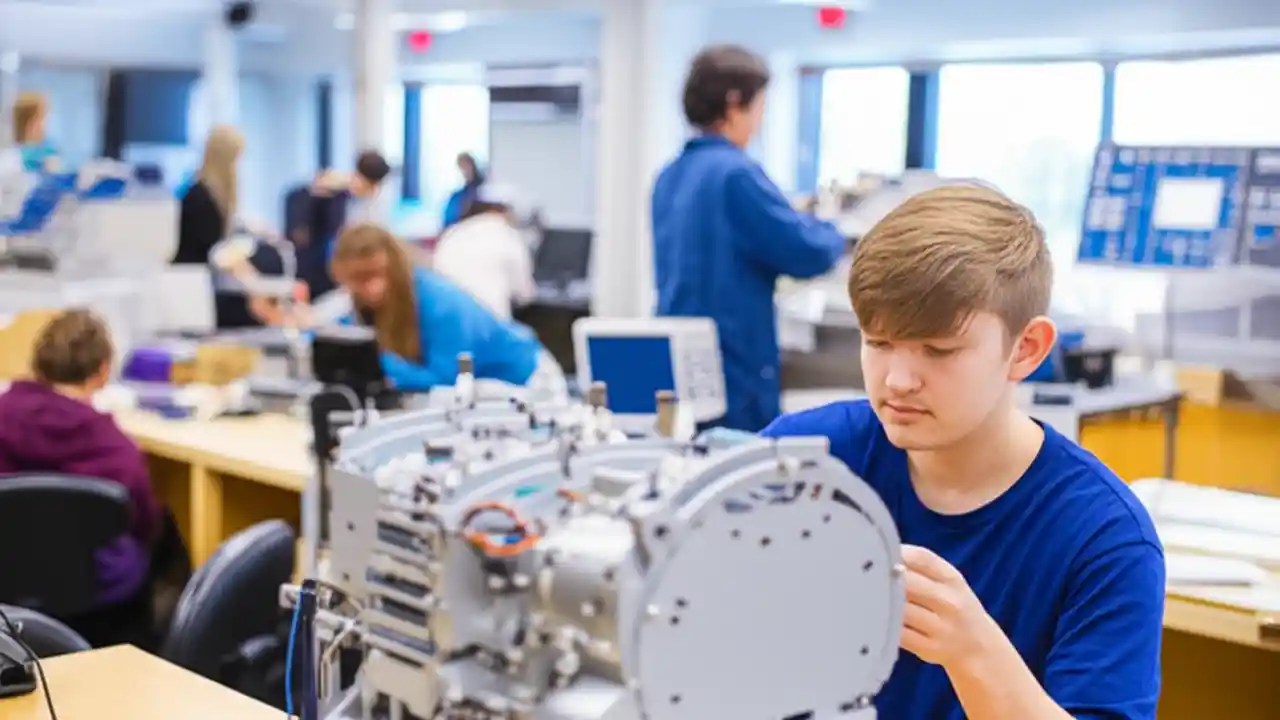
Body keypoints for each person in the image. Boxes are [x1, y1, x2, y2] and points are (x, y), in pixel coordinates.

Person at [762, 185, 1164, 720]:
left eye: (939, 351)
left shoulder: (1105, 541)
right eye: (878, 343)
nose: (898, 380)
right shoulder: (804, 458)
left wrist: (973, 652)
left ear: (1026, 349)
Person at [652, 45, 846, 433]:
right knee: (744, 476)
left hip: (678, 361)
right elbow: (804, 252)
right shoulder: (735, 175)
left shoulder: (671, 175)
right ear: (734, 102)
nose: (759, 120)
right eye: (760, 107)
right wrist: (832, 229)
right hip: (732, 366)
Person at [0, 309, 162, 643]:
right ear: (103, 371)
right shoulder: (115, 447)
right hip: (98, 597)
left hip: (8, 583)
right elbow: (143, 522)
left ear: (39, 364)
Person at [330, 222, 544, 392]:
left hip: (524, 382)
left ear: (394, 265)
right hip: (477, 391)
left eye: (378, 273)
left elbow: (444, 382)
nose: (373, 288)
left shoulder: (441, 303)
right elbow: (345, 336)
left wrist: (373, 362)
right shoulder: (368, 303)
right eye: (358, 279)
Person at [432, 182, 536, 320]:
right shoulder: (508, 235)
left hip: (447, 321)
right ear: (505, 210)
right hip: (489, 324)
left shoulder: (453, 232)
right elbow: (525, 294)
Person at [12, 91, 59, 173]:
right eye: (43, 117)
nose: (46, 122)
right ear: (31, 122)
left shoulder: (48, 149)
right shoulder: (12, 158)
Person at [442, 152, 485, 229]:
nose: (464, 171)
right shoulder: (456, 197)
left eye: (466, 166)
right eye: (461, 167)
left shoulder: (482, 191)